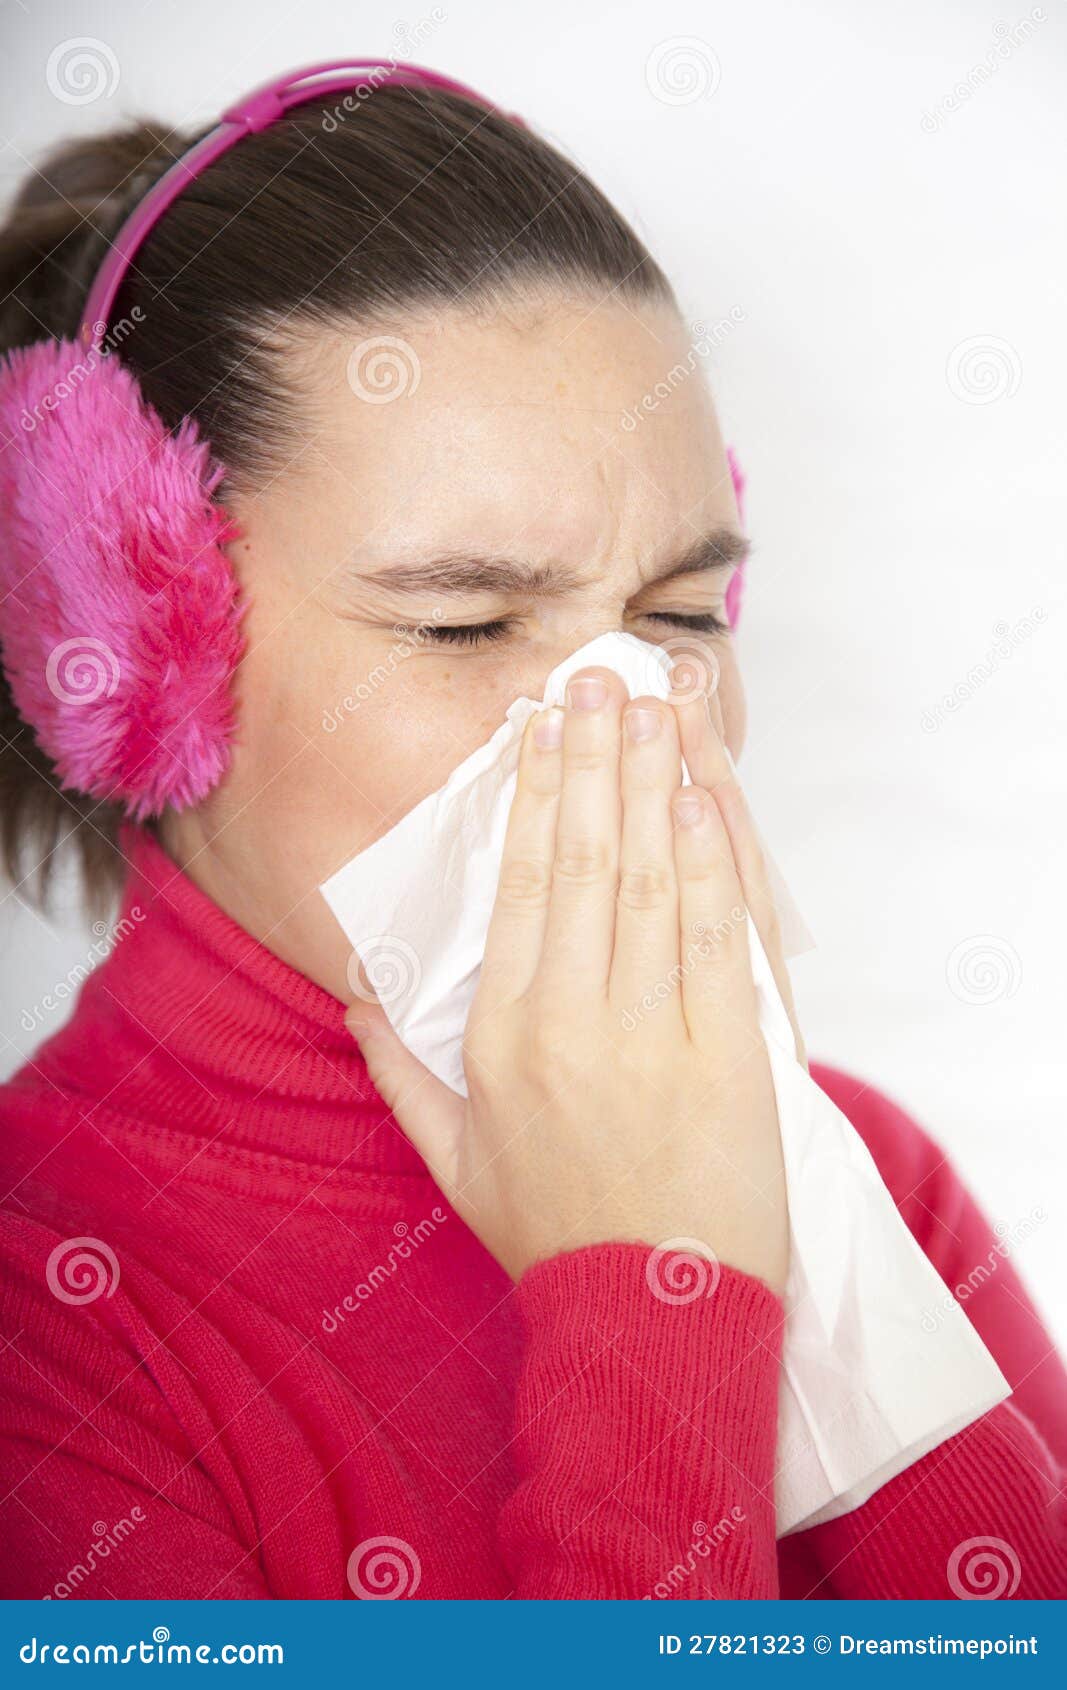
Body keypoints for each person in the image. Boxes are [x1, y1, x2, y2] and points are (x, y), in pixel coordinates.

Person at [0, 75, 1063, 1601]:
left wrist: (804, 1227)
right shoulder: (44, 1324)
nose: (629, 716)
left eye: (680, 613)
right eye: (468, 621)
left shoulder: (872, 1181)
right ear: (138, 645)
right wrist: (656, 1289)